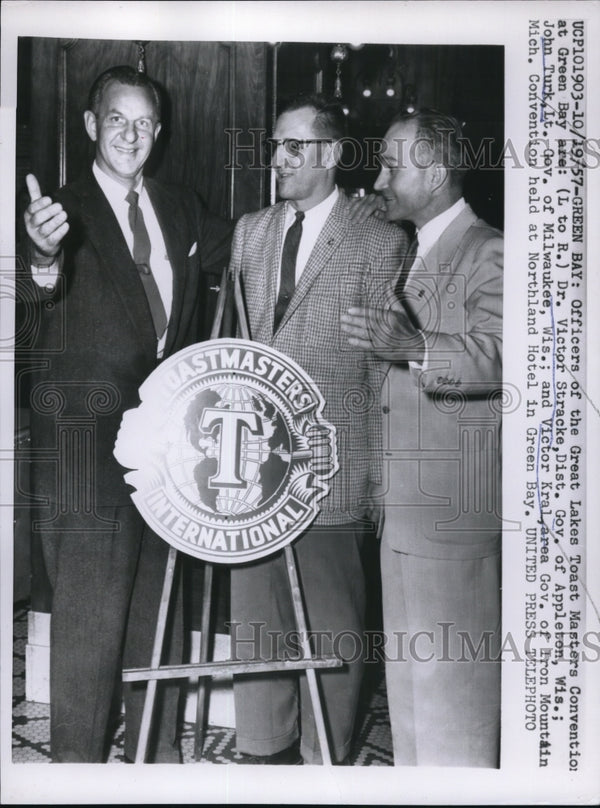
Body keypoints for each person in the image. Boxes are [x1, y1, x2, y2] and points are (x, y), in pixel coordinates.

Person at [22, 65, 233, 762]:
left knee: (160, 603)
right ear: (91, 124)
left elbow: (241, 246)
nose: (131, 135)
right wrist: (41, 259)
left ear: (159, 133)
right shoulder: (54, 209)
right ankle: (76, 768)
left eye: (144, 123)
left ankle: (157, 753)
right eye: (118, 119)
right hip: (85, 446)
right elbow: (24, 306)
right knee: (88, 617)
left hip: (168, 440)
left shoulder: (180, 206)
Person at [226, 93, 407, 766]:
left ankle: (323, 758)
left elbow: (384, 376)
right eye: (275, 144)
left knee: (332, 625)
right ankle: (263, 750)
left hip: (334, 470)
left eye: (293, 147)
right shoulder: (250, 231)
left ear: (331, 155)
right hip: (252, 473)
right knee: (258, 616)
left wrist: (382, 484)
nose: (276, 158)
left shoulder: (379, 241)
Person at [341, 109, 503, 767]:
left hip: (451, 521)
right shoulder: (415, 248)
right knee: (411, 700)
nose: (378, 177)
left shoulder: (489, 248)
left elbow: (503, 354)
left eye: (391, 164)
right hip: (405, 518)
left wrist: (415, 345)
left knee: (455, 708)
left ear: (434, 172)